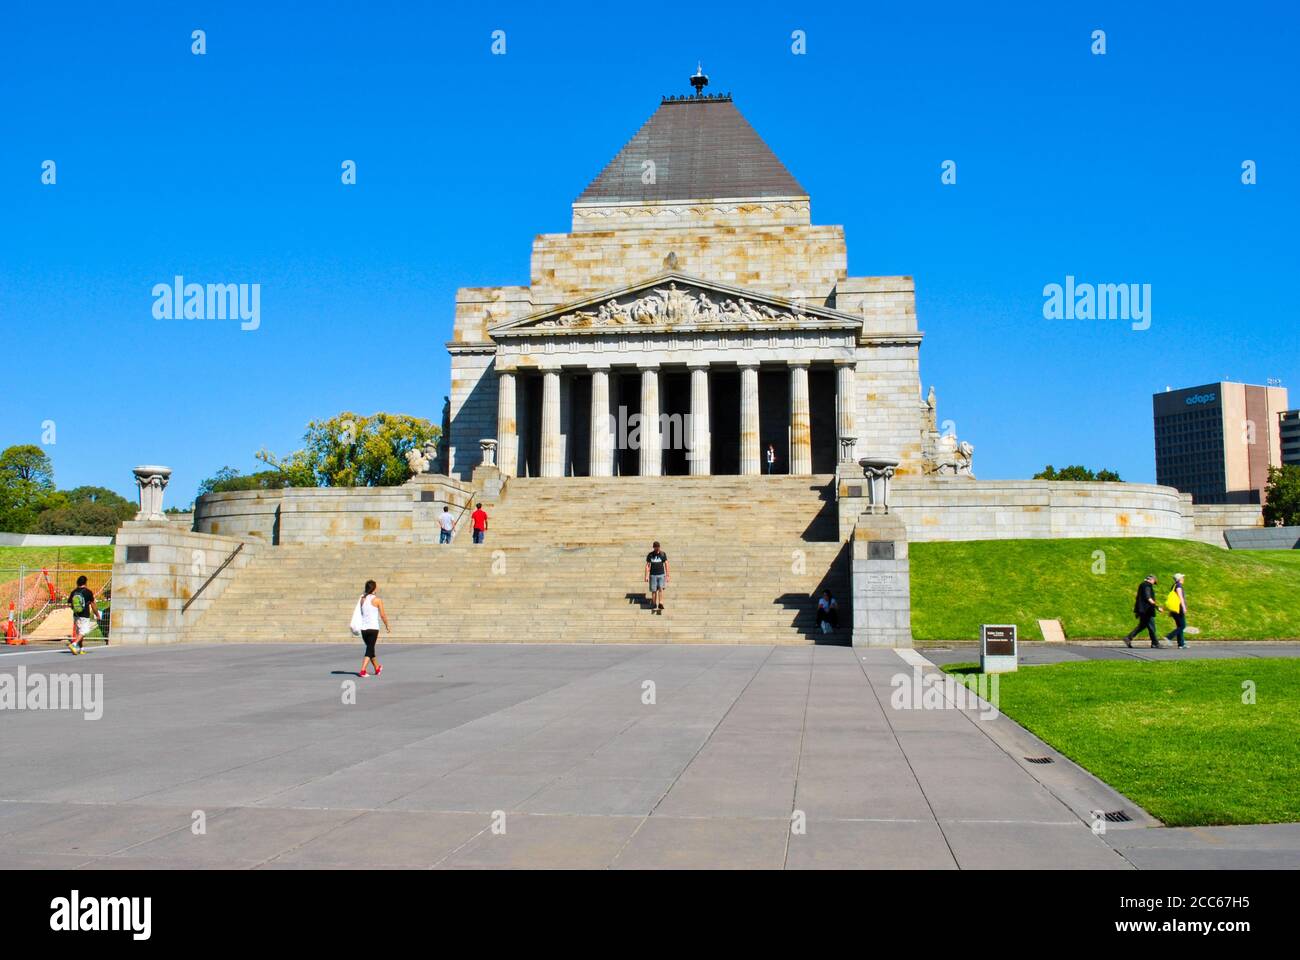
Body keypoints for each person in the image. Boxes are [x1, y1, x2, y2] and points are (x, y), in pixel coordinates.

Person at [355, 580, 390, 677]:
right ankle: (362, 670)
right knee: (369, 649)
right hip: (373, 628)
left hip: (364, 628)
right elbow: (382, 615)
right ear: (374, 588)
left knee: (370, 649)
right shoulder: (377, 600)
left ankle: (377, 668)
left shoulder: (362, 599)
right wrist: (387, 625)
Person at [1123, 574, 1163, 648]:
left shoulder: (1142, 585)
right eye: (1154, 582)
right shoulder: (1147, 585)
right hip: (1146, 610)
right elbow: (1148, 598)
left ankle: (1128, 638)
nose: (1153, 583)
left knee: (1142, 625)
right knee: (1152, 626)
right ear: (1151, 579)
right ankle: (1155, 643)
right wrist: (1157, 607)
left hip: (1142, 609)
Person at [66, 575, 98, 655]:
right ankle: (73, 644)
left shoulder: (74, 592)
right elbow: (93, 605)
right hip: (85, 615)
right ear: (85, 582)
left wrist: (75, 609)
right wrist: (97, 614)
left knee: (80, 632)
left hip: (76, 615)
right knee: (84, 631)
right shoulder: (88, 592)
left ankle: (81, 649)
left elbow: (70, 604)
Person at [1164, 573, 1189, 649]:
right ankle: (1169, 637)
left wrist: (1170, 610)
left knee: (1179, 626)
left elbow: (1171, 599)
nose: (1183, 579)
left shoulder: (1173, 586)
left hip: (1174, 609)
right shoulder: (1178, 586)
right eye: (1182, 577)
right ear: (1179, 579)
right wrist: (1184, 607)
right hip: (1179, 609)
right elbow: (1180, 597)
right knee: (1182, 626)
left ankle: (1181, 644)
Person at [644, 541, 669, 614]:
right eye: (655, 547)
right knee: (654, 590)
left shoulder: (663, 554)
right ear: (653, 547)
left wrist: (667, 575)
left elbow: (666, 564)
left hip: (661, 574)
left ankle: (661, 603)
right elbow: (648, 565)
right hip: (653, 575)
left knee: (661, 589)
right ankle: (654, 603)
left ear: (659, 547)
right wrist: (646, 576)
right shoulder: (650, 555)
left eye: (658, 547)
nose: (657, 548)